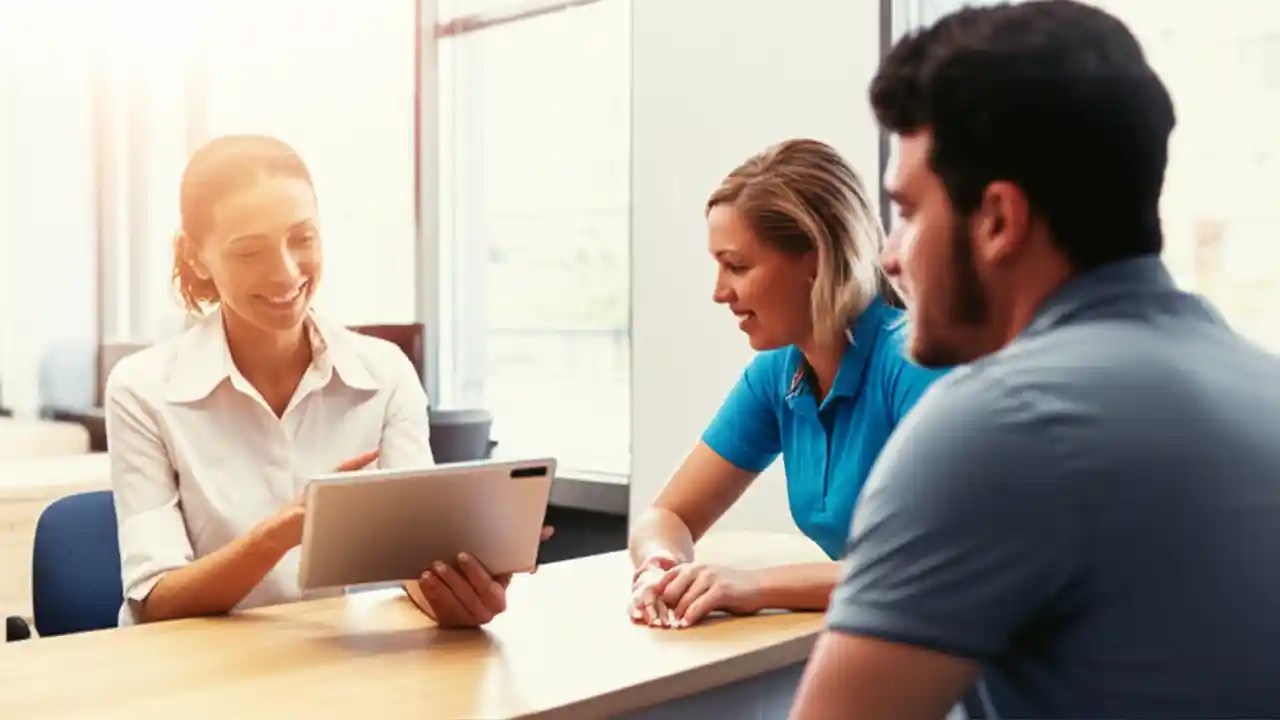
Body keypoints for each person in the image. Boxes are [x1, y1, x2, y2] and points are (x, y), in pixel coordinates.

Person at [791, 2, 1280, 719]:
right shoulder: (1261, 385)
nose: (890, 255)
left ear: (998, 220)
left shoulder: (997, 425)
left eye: (909, 211)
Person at [106, 134, 519, 628]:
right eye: (248, 252)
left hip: (341, 668)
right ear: (195, 256)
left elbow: (416, 569)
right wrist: (292, 528)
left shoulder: (385, 375)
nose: (285, 272)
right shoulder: (142, 388)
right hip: (198, 680)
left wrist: (457, 596)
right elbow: (157, 602)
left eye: (302, 239)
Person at [627, 139, 947, 629]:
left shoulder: (913, 362)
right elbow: (666, 517)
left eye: (737, 266)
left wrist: (755, 586)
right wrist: (660, 566)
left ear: (815, 260)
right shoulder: (779, 373)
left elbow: (932, 564)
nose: (719, 292)